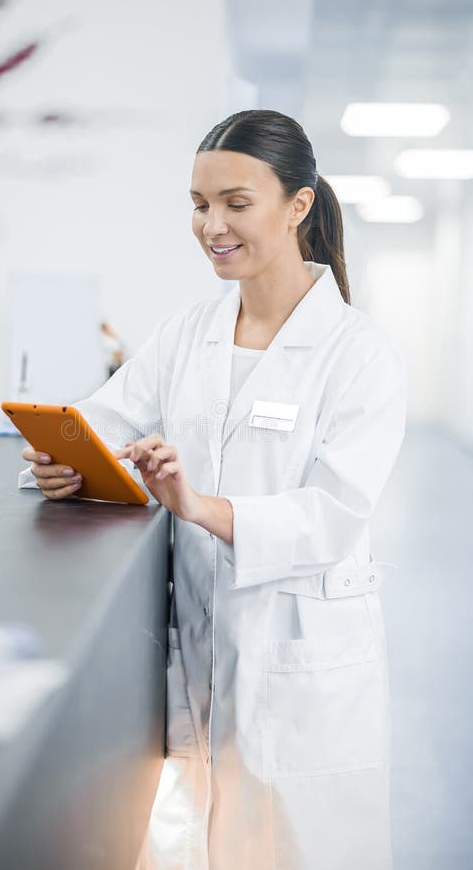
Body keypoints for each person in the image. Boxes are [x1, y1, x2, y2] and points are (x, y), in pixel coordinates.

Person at [23, 109, 407, 870]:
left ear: (297, 206)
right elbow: (95, 424)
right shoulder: (187, 334)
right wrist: (62, 462)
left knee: (297, 847)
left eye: (235, 203)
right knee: (186, 842)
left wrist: (197, 505)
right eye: (199, 205)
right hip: (198, 649)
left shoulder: (358, 354)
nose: (210, 226)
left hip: (298, 662)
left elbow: (330, 516)